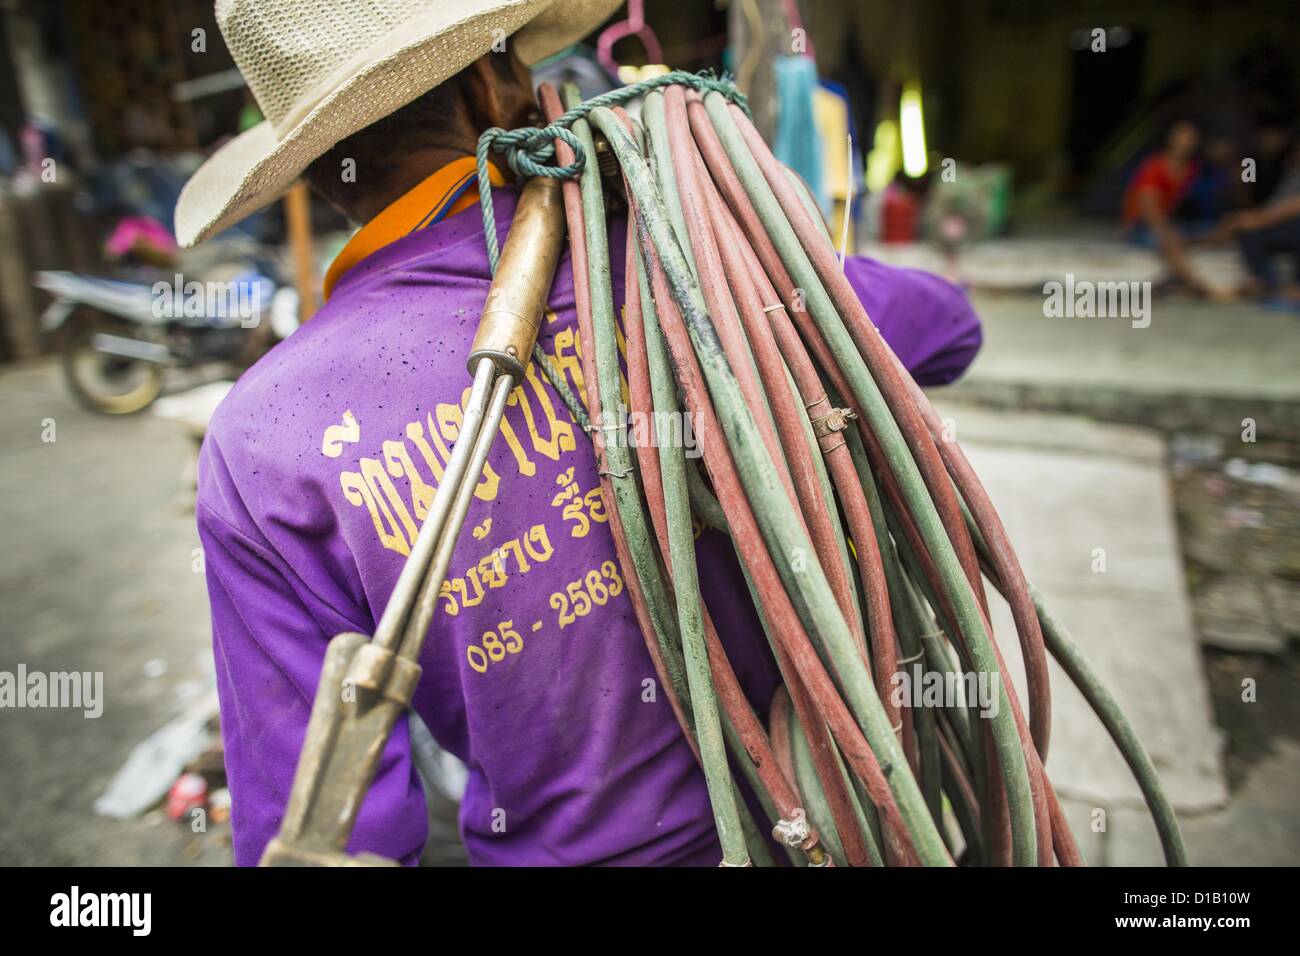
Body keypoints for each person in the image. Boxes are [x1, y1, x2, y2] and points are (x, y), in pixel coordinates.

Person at [177, 0, 983, 866]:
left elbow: (324, 836)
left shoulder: (260, 444)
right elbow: (948, 328)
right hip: (843, 824)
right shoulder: (707, 262)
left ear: (312, 173)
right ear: (497, 86)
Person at [1122, 118, 1222, 297]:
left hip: (1171, 222)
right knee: (1170, 239)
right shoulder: (1154, 166)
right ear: (1171, 139)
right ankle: (1196, 285)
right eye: (1182, 137)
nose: (1186, 142)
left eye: (1190, 138)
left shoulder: (1193, 168)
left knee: (1222, 230)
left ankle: (1178, 278)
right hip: (1143, 225)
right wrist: (1166, 231)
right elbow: (1148, 208)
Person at [1219, 142, 1300, 307]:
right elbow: (1274, 205)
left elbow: (1293, 206)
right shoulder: (1290, 176)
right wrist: (1250, 219)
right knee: (1249, 232)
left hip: (1291, 226)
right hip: (1281, 225)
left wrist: (1257, 219)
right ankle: (1266, 283)